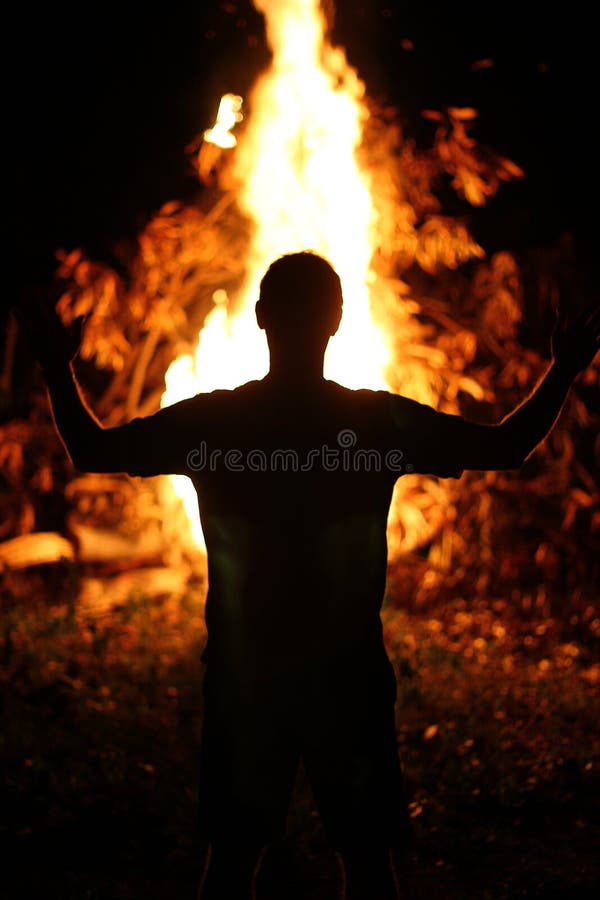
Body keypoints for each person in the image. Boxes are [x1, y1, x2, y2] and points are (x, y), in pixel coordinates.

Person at [15, 252, 599, 899]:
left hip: (247, 676)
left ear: (261, 318)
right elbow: (505, 446)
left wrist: (57, 366)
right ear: (339, 321)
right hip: (346, 676)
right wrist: (563, 370)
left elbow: (91, 449)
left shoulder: (213, 421)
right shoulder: (375, 423)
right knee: (370, 868)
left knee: (231, 867)